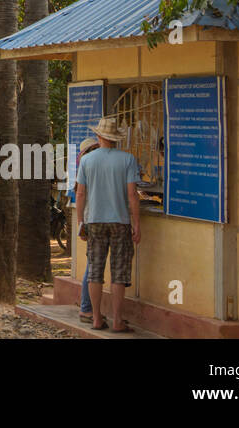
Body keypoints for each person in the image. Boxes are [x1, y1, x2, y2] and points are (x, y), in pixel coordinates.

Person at [75, 117, 141, 333]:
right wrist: (136, 224)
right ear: (116, 139)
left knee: (95, 270)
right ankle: (118, 321)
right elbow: (132, 194)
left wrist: (81, 222)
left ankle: (95, 318)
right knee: (119, 272)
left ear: (99, 136)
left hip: (94, 220)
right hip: (120, 222)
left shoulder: (87, 160)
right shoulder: (128, 159)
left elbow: (80, 193)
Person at [74, 136, 99, 323]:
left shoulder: (86, 167)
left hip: (89, 220)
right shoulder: (90, 167)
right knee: (92, 267)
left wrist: (81, 222)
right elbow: (81, 194)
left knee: (92, 265)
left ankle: (87, 308)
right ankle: (86, 308)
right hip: (93, 220)